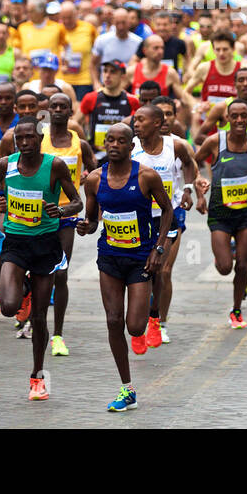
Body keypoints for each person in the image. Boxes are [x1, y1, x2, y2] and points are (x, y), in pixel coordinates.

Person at [77, 123, 172, 412]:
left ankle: (150, 309)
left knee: (134, 326)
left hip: (141, 257)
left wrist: (159, 249)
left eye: (121, 141)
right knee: (113, 320)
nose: (114, 145)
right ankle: (126, 387)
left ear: (132, 147)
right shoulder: (94, 179)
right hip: (109, 256)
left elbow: (167, 211)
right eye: (110, 140)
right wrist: (85, 226)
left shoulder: (146, 176)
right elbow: (92, 220)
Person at [0, 120, 83, 401]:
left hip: (45, 245)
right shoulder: (6, 164)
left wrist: (60, 210)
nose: (25, 142)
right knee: (7, 307)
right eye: (20, 138)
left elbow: (78, 202)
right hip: (15, 243)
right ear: (15, 140)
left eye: (30, 137)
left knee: (40, 318)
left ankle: (37, 375)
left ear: (41, 139)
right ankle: (23, 291)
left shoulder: (55, 166)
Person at [193, 98, 247, 329]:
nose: (239, 120)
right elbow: (192, 166)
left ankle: (236, 309)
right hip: (220, 212)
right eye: (234, 116)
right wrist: (199, 188)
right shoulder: (214, 141)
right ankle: (225, 251)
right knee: (225, 267)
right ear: (227, 118)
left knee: (243, 266)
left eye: (243, 116)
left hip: (246, 212)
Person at [129, 103, 199, 347]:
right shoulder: (131, 146)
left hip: (168, 215)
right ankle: (137, 325)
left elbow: (189, 165)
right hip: (139, 218)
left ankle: (155, 319)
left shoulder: (175, 146)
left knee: (159, 268)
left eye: (141, 120)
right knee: (140, 271)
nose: (136, 124)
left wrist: (188, 190)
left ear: (157, 124)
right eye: (134, 120)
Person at [41, 91, 94, 356]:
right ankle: (32, 316)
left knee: (60, 273)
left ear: (71, 111)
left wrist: (86, 175)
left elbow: (96, 174)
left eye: (64, 106)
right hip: (37, 216)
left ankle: (58, 335)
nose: (59, 110)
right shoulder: (39, 141)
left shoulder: (79, 143)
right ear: (48, 111)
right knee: (39, 273)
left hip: (67, 214)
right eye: (54, 106)